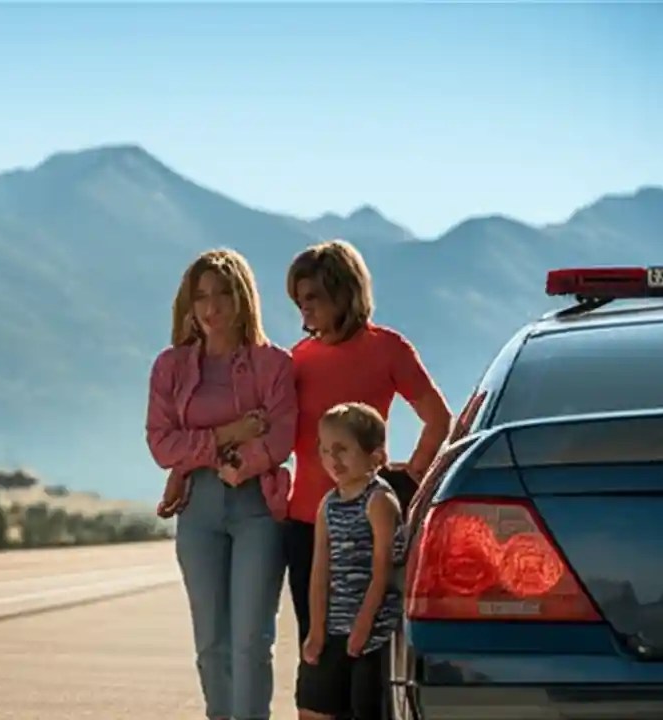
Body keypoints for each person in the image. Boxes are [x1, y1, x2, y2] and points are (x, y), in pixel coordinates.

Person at [146, 248, 296, 720]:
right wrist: (230, 434)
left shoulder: (274, 364)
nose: (211, 308)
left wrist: (241, 464)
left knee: (251, 639)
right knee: (211, 640)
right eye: (201, 296)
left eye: (223, 294)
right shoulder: (170, 367)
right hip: (198, 508)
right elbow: (161, 444)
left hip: (257, 508)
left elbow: (281, 436)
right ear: (188, 304)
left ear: (243, 298)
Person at [283, 239, 451, 647]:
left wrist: (410, 477)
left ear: (343, 292)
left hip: (368, 526)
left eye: (312, 298)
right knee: (316, 649)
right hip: (306, 523)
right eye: (298, 300)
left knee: (371, 648)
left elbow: (438, 418)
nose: (304, 309)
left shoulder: (387, 348)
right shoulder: (297, 359)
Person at [295, 402, 407, 720]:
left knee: (364, 707)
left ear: (375, 455)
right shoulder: (328, 505)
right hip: (334, 627)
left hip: (373, 633)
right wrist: (316, 630)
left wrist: (363, 626)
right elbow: (320, 571)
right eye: (325, 450)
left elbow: (383, 570)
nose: (333, 459)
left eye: (342, 449)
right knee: (313, 705)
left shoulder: (379, 501)